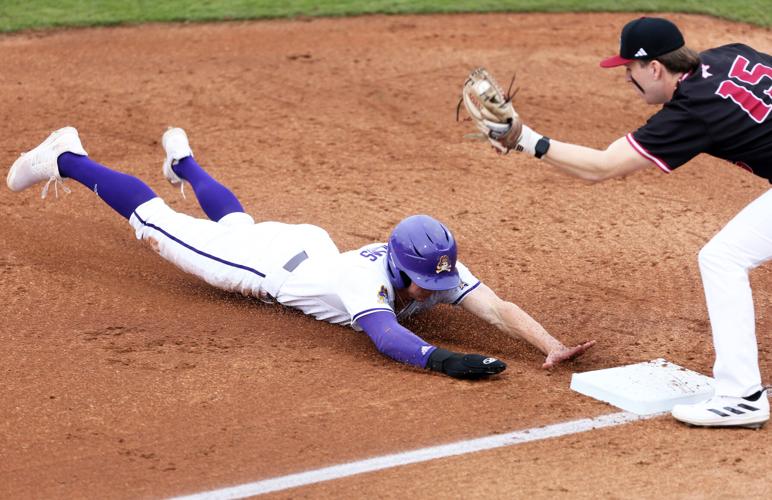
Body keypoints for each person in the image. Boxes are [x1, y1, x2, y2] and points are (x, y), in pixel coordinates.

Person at [6, 126, 594, 380]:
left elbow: (496, 308)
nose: (434, 292)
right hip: (263, 268)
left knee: (236, 224)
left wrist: (550, 345)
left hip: (306, 247)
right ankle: (67, 157)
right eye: (424, 283)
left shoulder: (434, 263)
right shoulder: (365, 283)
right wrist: (447, 361)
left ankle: (185, 163)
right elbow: (388, 339)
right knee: (158, 223)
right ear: (398, 265)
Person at [478, 17, 771, 426]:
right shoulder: (730, 55)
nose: (627, 79)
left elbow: (602, 166)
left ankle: (740, 398)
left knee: (722, 258)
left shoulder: (692, 110)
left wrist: (525, 140)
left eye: (630, 69)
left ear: (655, 68)